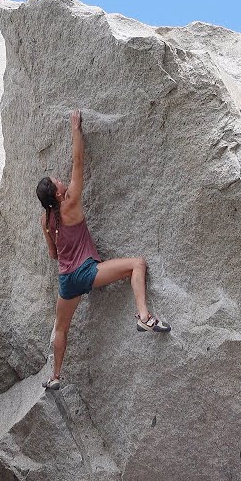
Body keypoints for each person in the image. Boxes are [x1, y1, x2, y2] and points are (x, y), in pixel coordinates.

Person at [34, 109, 171, 391]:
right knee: (137, 264)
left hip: (66, 280)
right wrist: (75, 129)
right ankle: (144, 317)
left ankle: (55, 376)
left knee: (60, 328)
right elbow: (79, 163)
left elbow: (53, 255)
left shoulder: (45, 220)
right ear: (58, 194)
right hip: (87, 272)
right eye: (57, 181)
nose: (60, 179)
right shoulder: (70, 203)